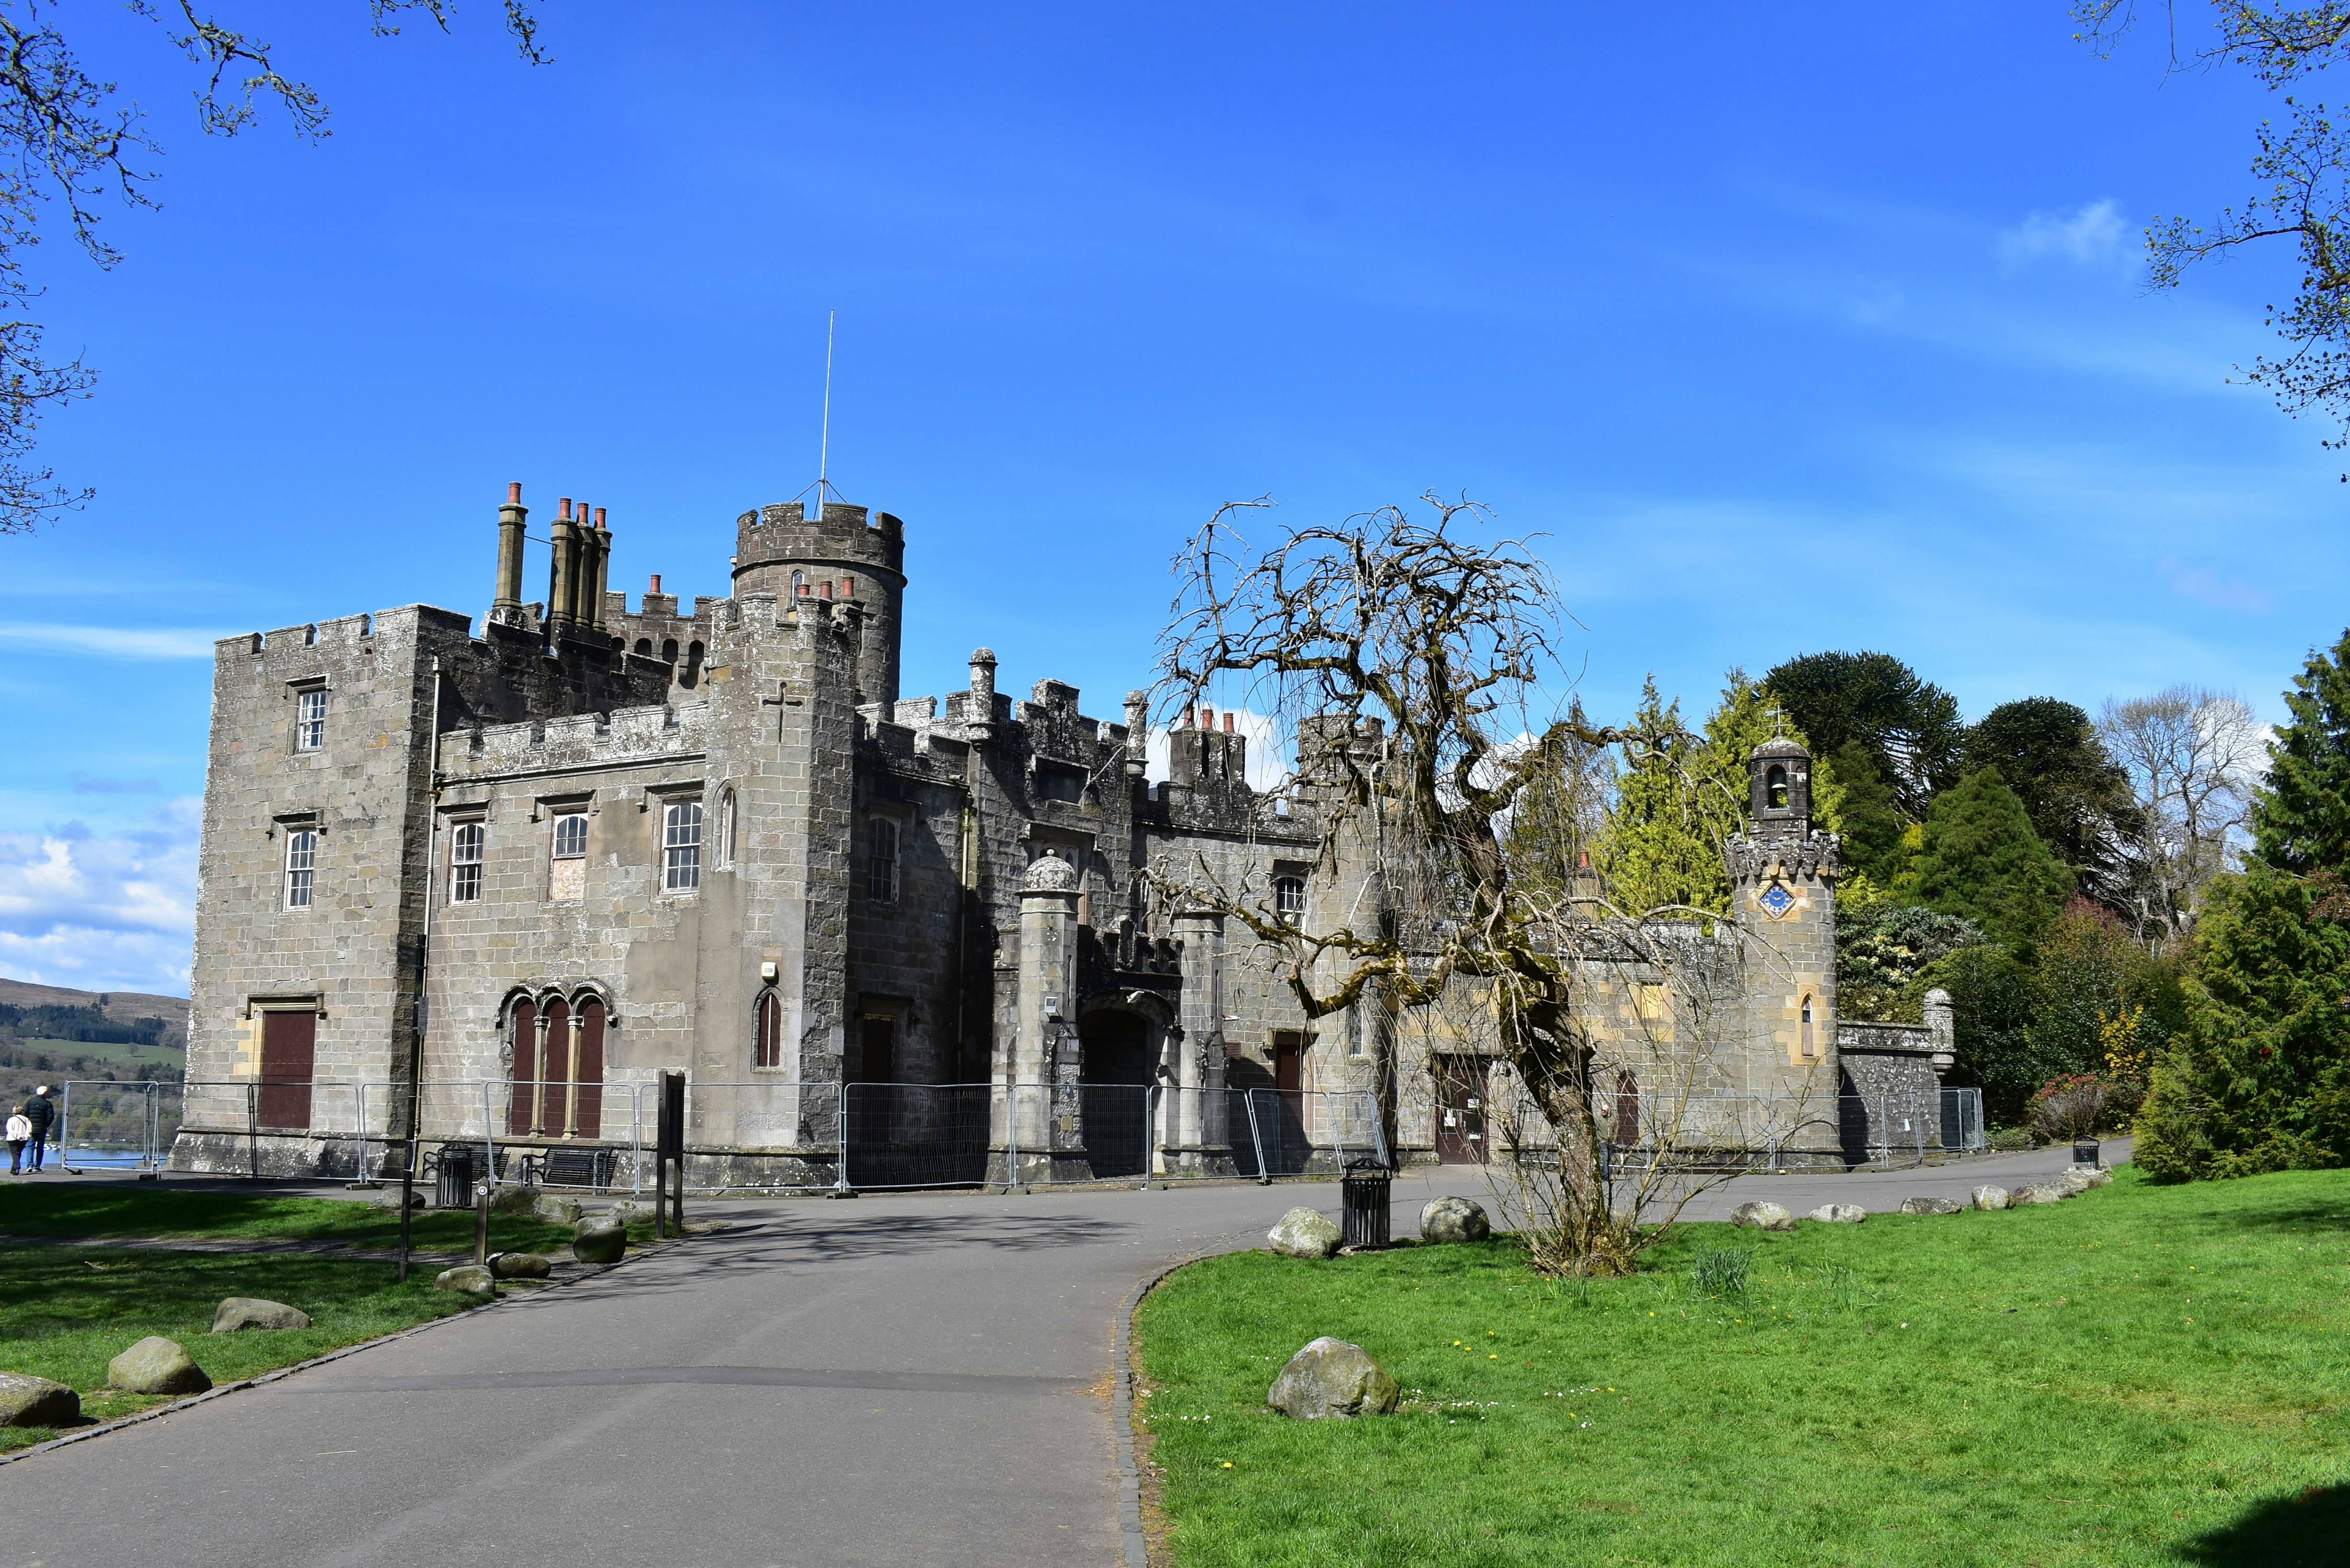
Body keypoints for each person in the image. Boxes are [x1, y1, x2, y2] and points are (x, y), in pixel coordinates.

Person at [22, 1085, 54, 1172]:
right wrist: (45, 1125)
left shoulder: (30, 1102)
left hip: (31, 1129)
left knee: (30, 1147)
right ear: (44, 1093)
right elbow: (51, 1117)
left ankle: (30, 1165)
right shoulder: (48, 1104)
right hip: (41, 1129)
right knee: (40, 1148)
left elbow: (24, 1114)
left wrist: (27, 1125)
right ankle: (37, 1166)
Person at [5, 1104, 28, 1174]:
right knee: (18, 1153)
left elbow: (10, 1130)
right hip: (23, 1139)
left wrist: (17, 1136)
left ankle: (17, 1167)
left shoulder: (11, 1120)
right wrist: (25, 1136)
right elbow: (29, 1129)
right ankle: (13, 1168)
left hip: (12, 1139)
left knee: (15, 1153)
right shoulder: (26, 1119)